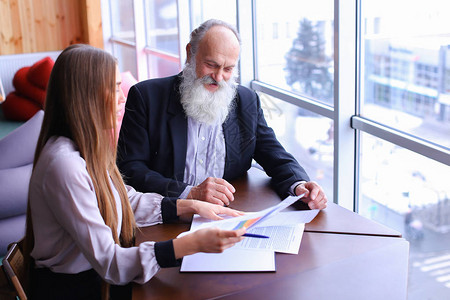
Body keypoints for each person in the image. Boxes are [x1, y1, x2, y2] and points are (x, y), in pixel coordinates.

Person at [23, 44, 246, 300]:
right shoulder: (64, 165)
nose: (122, 96)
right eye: (114, 86)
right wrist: (192, 243)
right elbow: (111, 263)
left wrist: (189, 207)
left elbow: (122, 200)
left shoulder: (84, 147)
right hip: (77, 290)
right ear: (85, 95)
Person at [117, 19, 327, 210]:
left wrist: (299, 185)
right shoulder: (146, 97)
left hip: (229, 213)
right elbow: (130, 168)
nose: (218, 77)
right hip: (166, 213)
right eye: (211, 65)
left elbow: (275, 155)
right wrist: (189, 193)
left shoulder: (246, 100)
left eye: (228, 69)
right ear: (191, 53)